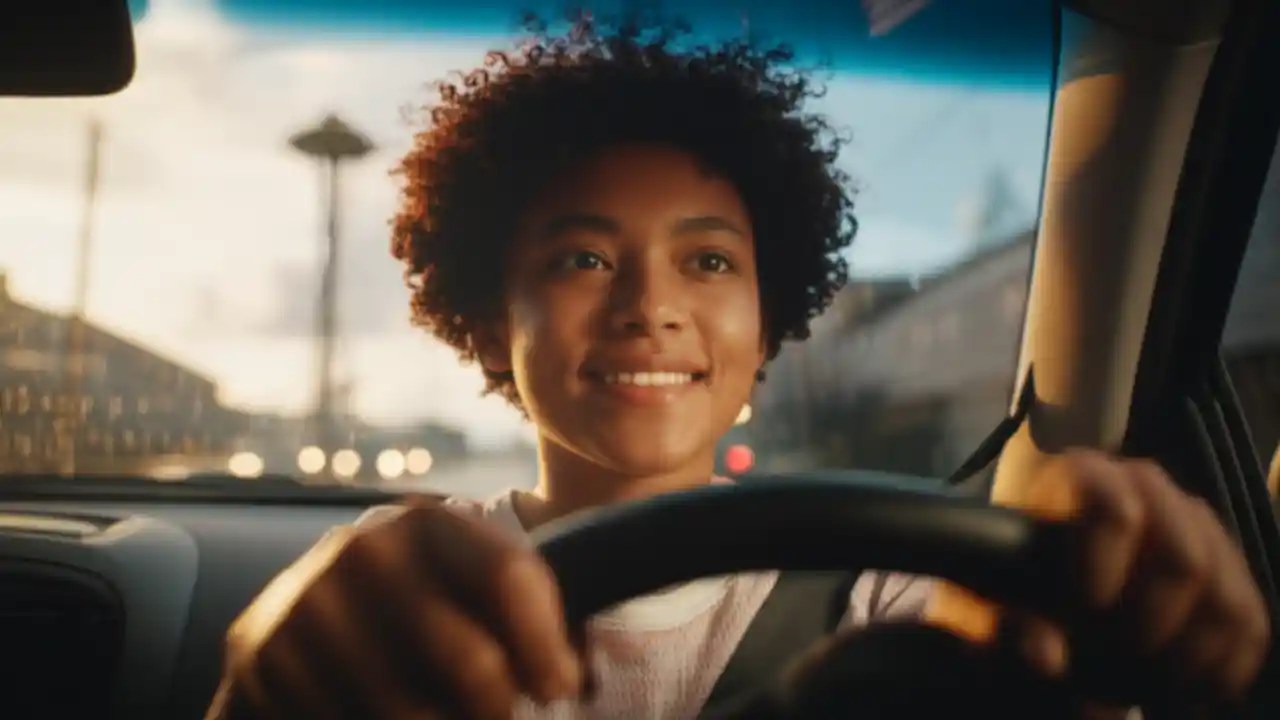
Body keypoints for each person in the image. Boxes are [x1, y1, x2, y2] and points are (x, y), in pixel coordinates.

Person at [207, 16, 1270, 720]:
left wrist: (1101, 649)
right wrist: (261, 691)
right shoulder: (404, 582)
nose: (650, 305)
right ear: (489, 328)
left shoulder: (880, 583)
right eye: (583, 259)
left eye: (708, 261)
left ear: (765, 333)